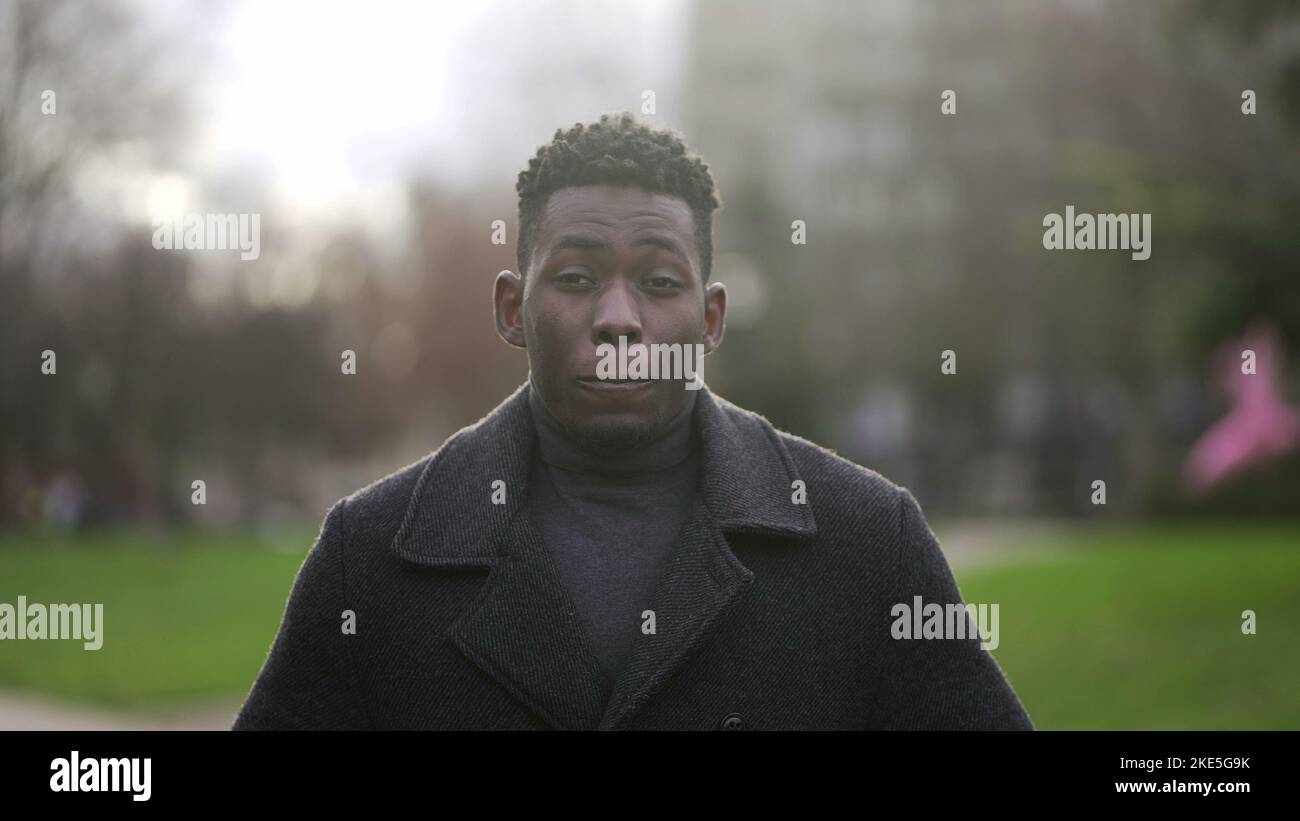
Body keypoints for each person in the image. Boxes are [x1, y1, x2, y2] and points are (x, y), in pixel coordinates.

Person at [232, 112, 1033, 730]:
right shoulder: (371, 559)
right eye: (577, 276)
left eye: (658, 281)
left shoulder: (868, 544)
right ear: (513, 308)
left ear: (711, 318)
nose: (619, 319)